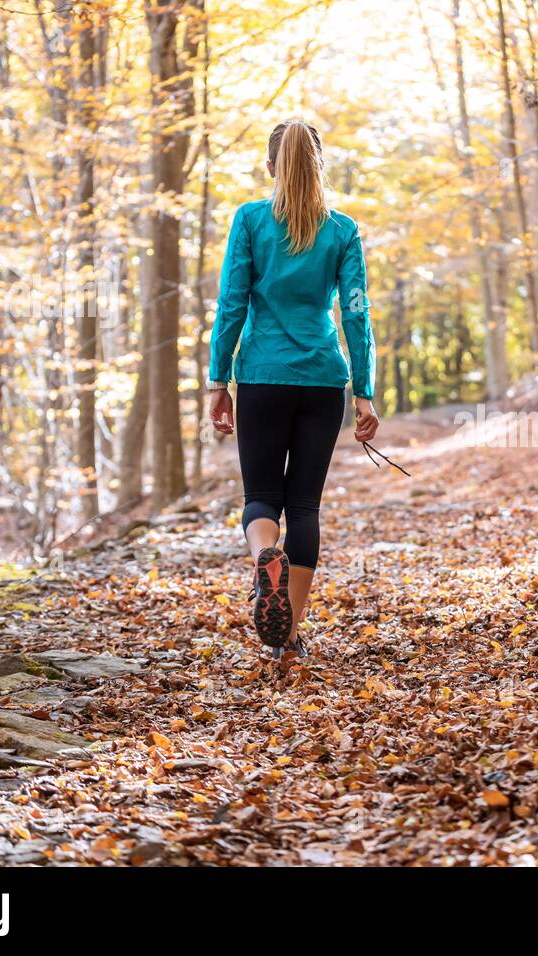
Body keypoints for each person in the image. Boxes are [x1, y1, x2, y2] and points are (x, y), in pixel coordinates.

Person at [206, 119, 379, 660]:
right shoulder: (342, 229)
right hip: (322, 380)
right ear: (318, 167)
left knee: (262, 497)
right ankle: (286, 636)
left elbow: (232, 303)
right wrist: (364, 391)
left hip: (260, 375)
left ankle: (266, 559)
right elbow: (357, 314)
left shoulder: (251, 219)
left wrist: (219, 379)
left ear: (271, 168)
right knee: (304, 505)